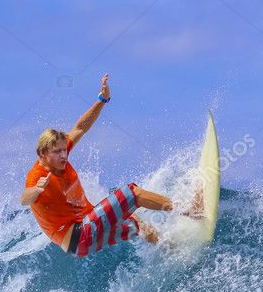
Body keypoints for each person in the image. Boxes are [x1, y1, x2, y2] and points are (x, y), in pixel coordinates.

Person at [20, 73, 185, 258]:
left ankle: (173, 252)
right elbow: (25, 199)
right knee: (132, 193)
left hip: (81, 241)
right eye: (57, 152)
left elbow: (80, 127)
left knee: (134, 223)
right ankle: (186, 209)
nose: (63, 154)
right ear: (43, 153)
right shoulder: (37, 175)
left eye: (64, 150)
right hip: (78, 235)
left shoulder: (61, 156)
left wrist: (102, 100)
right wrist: (36, 189)